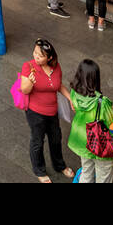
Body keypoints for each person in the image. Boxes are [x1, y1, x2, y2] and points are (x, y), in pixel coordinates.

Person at [19, 39, 72, 183]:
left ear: (49, 58)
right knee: (37, 141)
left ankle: (59, 165)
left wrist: (70, 98)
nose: (36, 57)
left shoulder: (56, 67)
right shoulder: (28, 66)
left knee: (56, 139)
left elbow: (58, 85)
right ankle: (39, 170)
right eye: (35, 53)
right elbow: (24, 90)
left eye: (40, 55)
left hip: (52, 111)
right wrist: (30, 81)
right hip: (35, 112)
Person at [66, 59, 113, 183]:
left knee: (86, 171)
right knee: (104, 175)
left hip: (82, 141)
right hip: (100, 145)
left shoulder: (74, 93)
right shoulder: (102, 102)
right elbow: (112, 124)